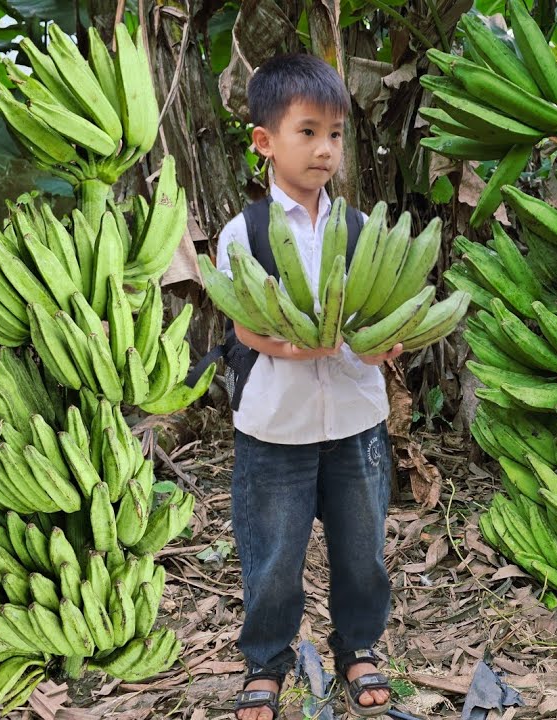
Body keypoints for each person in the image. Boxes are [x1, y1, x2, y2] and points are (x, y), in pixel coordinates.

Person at [217, 54, 399, 720]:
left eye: (335, 134)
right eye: (308, 131)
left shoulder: (360, 232)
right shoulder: (246, 233)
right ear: (264, 140)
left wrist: (386, 341)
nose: (325, 149)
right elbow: (246, 326)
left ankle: (358, 647)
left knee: (362, 554)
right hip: (276, 431)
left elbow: (380, 312)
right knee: (272, 560)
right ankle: (266, 660)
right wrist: (294, 345)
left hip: (356, 423)